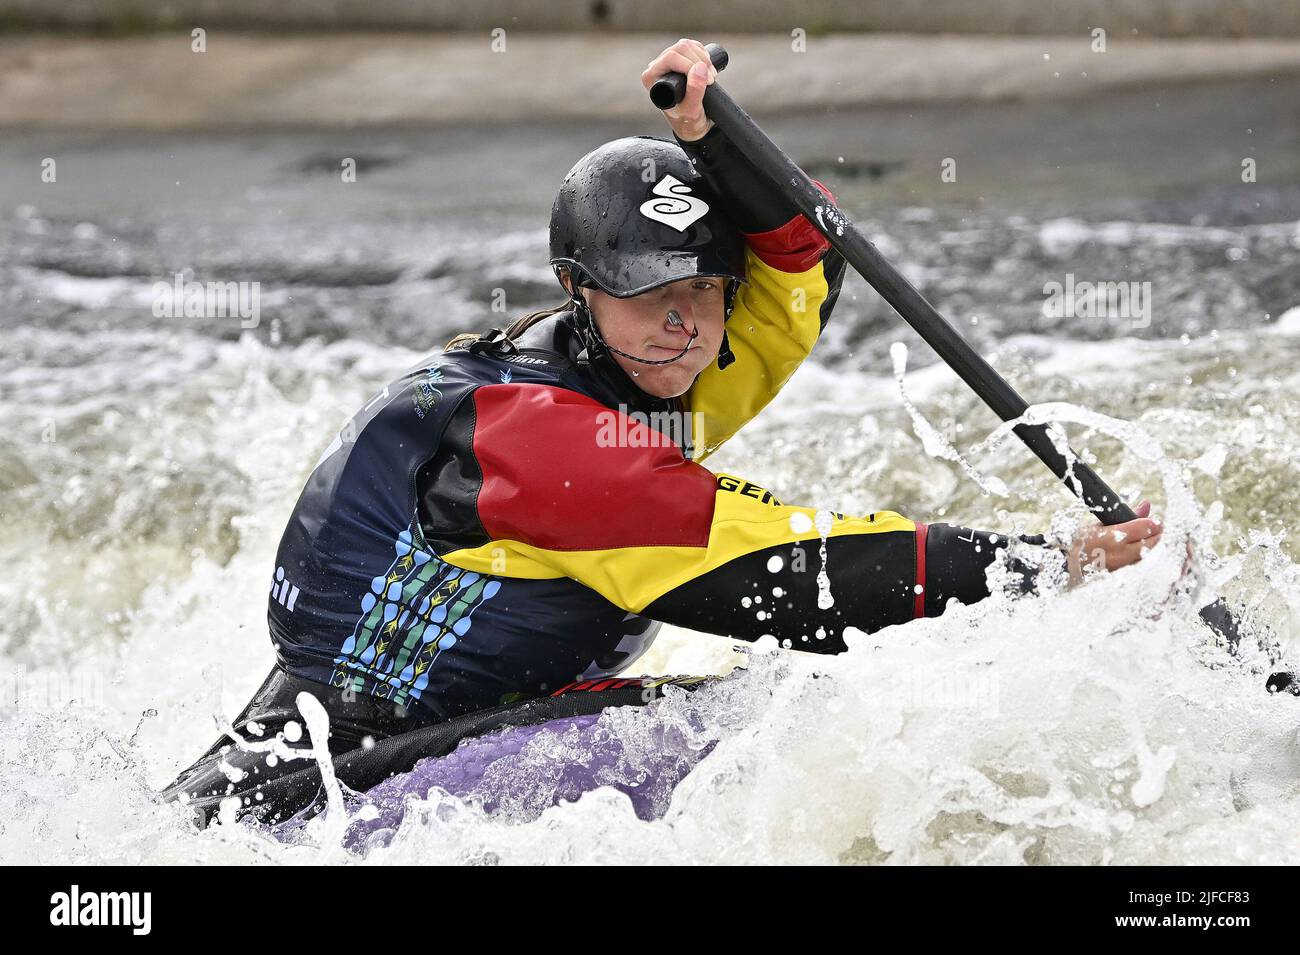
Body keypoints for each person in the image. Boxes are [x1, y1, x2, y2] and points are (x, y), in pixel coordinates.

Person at [165, 39, 1162, 819]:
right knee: (776, 729)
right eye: (649, 295)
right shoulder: (545, 441)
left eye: (702, 289)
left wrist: (709, 136)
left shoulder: (639, 367)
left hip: (430, 749)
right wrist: (1051, 560)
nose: (684, 322)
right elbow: (776, 579)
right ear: (577, 288)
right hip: (320, 804)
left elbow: (802, 276)